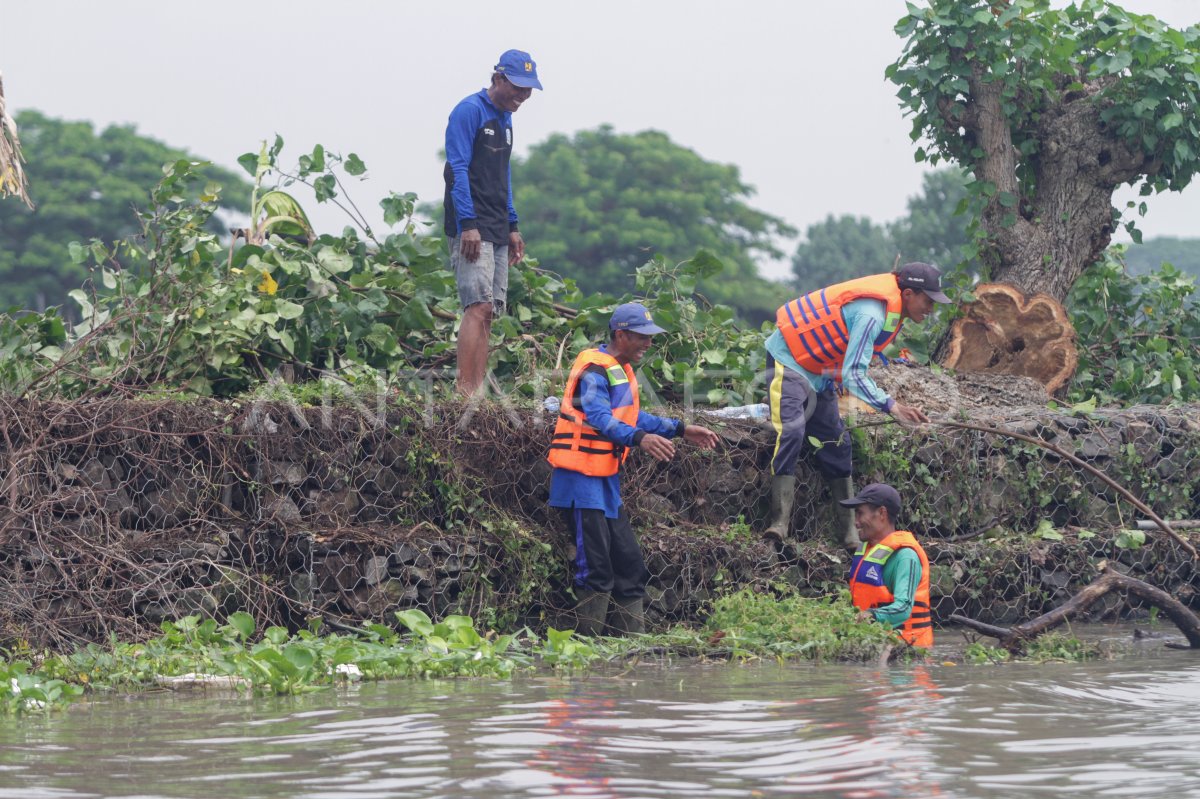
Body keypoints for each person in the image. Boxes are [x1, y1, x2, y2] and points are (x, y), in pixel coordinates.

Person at [547, 303, 720, 636]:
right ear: (621, 334)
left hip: (604, 481)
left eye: (651, 338)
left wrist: (681, 429)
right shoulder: (594, 371)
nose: (648, 344)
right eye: (642, 337)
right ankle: (586, 650)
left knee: (629, 564)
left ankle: (631, 646)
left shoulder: (618, 368)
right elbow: (599, 418)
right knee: (595, 568)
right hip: (580, 483)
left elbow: (630, 417)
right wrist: (640, 439)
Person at [762, 262, 952, 548]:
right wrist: (893, 407)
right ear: (909, 293)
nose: (930, 310)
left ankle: (849, 533)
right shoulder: (871, 314)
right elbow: (854, 374)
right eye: (928, 301)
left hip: (820, 372)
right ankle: (779, 522)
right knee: (792, 431)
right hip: (789, 359)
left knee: (838, 444)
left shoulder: (893, 311)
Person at [443, 49, 543, 396]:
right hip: (473, 224)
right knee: (477, 305)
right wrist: (467, 223)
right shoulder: (470, 111)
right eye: (517, 87)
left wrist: (512, 225)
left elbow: (504, 174)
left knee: (490, 312)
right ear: (498, 78)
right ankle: (463, 391)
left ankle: (477, 391)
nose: (522, 96)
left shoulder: (506, 118)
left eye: (528, 90)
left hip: (499, 223)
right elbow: (456, 170)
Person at [840, 482, 933, 647]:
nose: (856, 522)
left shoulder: (906, 556)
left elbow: (903, 608)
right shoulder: (866, 551)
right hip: (871, 645)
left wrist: (871, 616)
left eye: (860, 514)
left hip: (908, 655)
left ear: (882, 513)